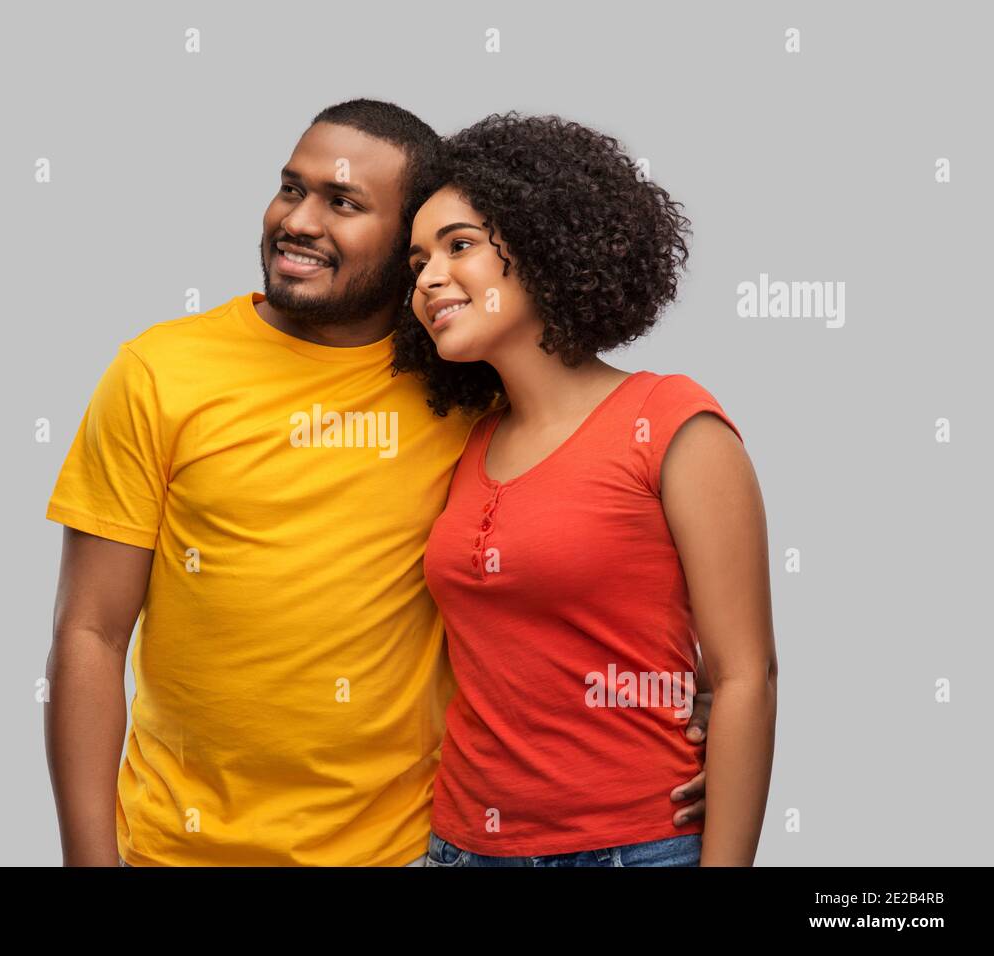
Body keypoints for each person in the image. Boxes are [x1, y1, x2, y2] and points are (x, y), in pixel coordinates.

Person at [43, 100, 713, 867]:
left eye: (343, 203)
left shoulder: (469, 389)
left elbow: (597, 558)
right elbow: (89, 633)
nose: (298, 220)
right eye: (291, 189)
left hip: (407, 851)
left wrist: (692, 704)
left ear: (407, 247)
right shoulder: (156, 372)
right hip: (175, 849)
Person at [396, 113, 777, 866]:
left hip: (633, 849)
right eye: (415, 264)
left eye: (460, 246)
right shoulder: (468, 443)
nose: (430, 278)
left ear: (542, 247)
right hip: (460, 847)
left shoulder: (672, 422)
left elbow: (744, 675)